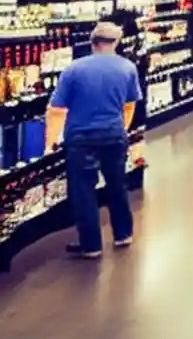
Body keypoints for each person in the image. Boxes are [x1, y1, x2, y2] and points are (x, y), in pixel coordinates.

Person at [46, 21, 142, 259]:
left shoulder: (74, 69)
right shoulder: (128, 67)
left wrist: (50, 142)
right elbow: (130, 105)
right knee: (117, 185)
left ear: (92, 42)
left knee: (84, 190)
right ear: (116, 43)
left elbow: (56, 109)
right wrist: (121, 127)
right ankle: (123, 234)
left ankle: (91, 246)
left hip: (81, 136)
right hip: (114, 134)